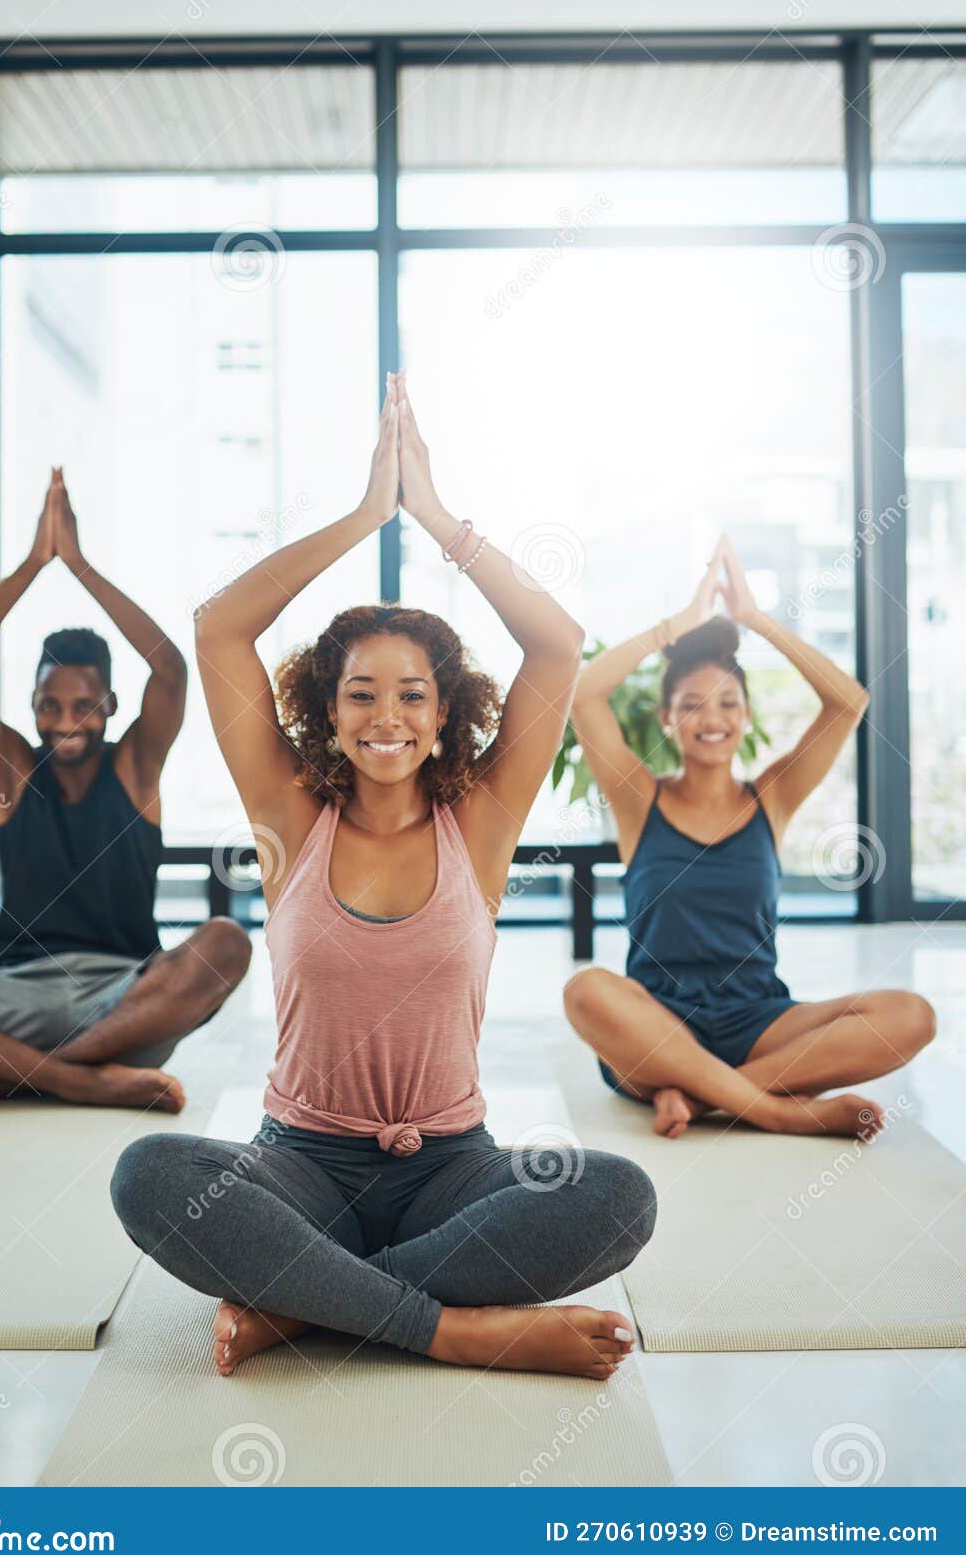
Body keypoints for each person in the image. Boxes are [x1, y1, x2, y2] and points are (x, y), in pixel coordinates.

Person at [110, 373, 657, 1382]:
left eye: (413, 694)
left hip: (451, 1167)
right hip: (299, 1161)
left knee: (619, 1198)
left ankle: (308, 1304)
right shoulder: (289, 816)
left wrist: (439, 518)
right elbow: (220, 628)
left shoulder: (481, 825)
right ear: (327, 709)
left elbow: (557, 644)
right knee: (149, 1173)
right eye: (360, 692)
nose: (387, 714)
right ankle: (449, 1328)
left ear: (446, 713)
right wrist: (366, 514)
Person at [0, 470, 250, 1112]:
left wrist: (79, 565)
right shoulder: (11, 771)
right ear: (30, 705)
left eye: (83, 706)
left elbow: (168, 665)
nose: (64, 722)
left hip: (128, 998)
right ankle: (80, 1080)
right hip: (16, 996)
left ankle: (11, 1079)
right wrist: (35, 563)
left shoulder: (137, 766)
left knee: (228, 940)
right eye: (48, 705)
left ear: (111, 705)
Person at [563, 535, 936, 1140]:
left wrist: (756, 620)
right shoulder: (639, 799)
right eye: (691, 705)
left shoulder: (773, 797)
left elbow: (849, 702)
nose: (711, 719)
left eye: (727, 703)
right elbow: (582, 694)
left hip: (760, 1020)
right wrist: (680, 624)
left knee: (911, 1015)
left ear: (746, 715)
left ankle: (700, 1098)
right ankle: (778, 1110)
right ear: (667, 718)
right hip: (658, 1028)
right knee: (586, 990)